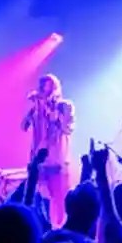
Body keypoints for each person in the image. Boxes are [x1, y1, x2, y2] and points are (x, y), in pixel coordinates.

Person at [22, 75, 74, 224]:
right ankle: (44, 224)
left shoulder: (64, 106)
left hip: (57, 158)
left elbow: (67, 128)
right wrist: (34, 110)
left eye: (49, 86)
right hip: (39, 157)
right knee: (40, 194)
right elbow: (23, 127)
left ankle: (61, 224)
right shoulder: (37, 108)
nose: (46, 90)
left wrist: (53, 113)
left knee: (59, 195)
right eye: (43, 86)